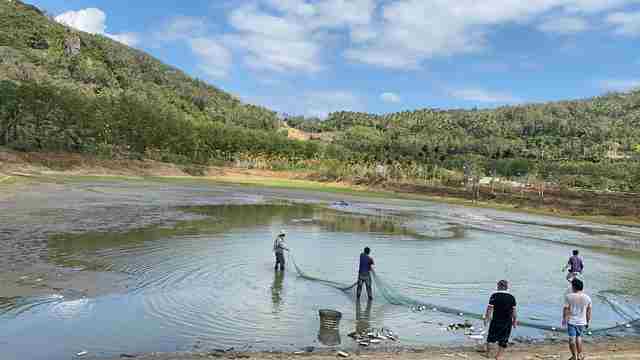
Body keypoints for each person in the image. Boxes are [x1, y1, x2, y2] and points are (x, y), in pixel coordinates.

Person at [484, 280, 517, 360]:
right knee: (504, 339)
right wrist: (514, 321)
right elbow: (514, 312)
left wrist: (486, 319)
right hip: (507, 321)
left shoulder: (494, 296)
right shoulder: (511, 297)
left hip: (496, 320)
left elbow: (489, 309)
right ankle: (499, 356)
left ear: (498, 286)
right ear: (507, 287)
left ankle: (488, 354)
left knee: (491, 338)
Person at [563, 278, 592, 360]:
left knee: (571, 338)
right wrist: (587, 322)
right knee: (579, 337)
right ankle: (580, 355)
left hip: (571, 321)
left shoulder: (568, 296)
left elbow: (566, 309)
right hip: (582, 322)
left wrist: (564, 319)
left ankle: (574, 356)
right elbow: (588, 312)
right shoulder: (587, 298)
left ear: (573, 287)